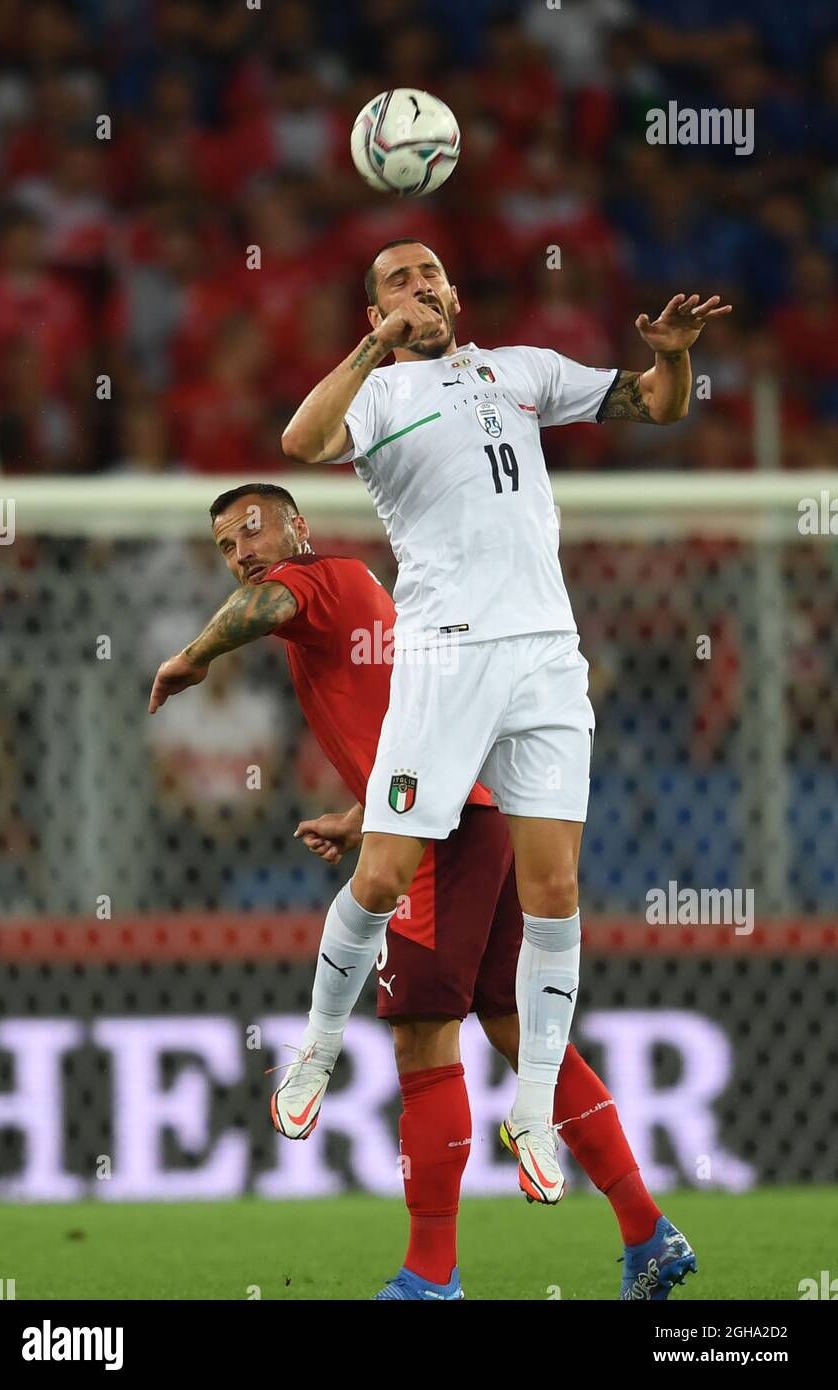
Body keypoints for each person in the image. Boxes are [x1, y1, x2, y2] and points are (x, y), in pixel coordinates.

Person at [149, 484, 698, 1302]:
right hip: (469, 815)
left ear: (297, 526)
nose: (243, 555)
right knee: (514, 1028)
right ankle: (647, 1231)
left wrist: (195, 653)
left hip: (441, 841)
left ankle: (430, 1279)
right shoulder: (354, 601)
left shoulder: (317, 583)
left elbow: (260, 603)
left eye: (252, 533)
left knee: (421, 1040)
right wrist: (364, 813)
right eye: (226, 548)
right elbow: (418, 729)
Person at [275, 237, 731, 1206]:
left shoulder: (519, 371)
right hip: (443, 654)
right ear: (374, 315)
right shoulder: (379, 396)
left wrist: (676, 352)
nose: (421, 288)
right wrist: (376, 349)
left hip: (544, 654)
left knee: (556, 884)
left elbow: (656, 403)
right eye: (397, 283)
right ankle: (315, 1046)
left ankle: (530, 1107)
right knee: (384, 871)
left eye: (430, 274)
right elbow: (299, 444)